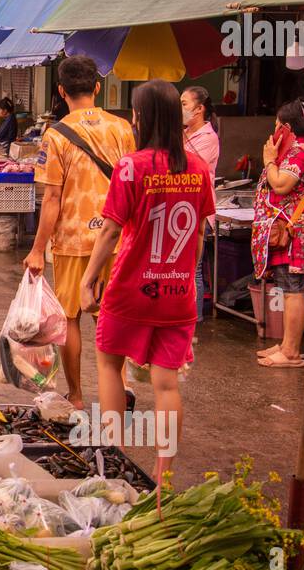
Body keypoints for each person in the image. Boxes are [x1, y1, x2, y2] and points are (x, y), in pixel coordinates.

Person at [80, 79, 215, 481]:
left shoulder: (132, 166)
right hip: (178, 293)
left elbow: (109, 231)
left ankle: (113, 465)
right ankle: (164, 480)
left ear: (142, 118)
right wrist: (185, 280)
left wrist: (88, 280)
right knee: (166, 384)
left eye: (135, 113)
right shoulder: (199, 168)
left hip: (131, 291)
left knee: (109, 364)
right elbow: (200, 235)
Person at [24, 55, 137, 408]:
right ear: (98, 87)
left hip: (72, 240)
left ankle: (75, 395)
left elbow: (52, 197)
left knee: (70, 318)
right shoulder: (122, 128)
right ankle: (116, 392)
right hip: (116, 238)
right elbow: (133, 184)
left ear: (61, 91)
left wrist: (37, 248)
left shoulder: (55, 134)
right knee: (112, 317)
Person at [250, 99, 304, 368]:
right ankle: (285, 344)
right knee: (287, 286)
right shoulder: (296, 149)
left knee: (294, 290)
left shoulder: (302, 151)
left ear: (287, 126)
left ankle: (291, 351)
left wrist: (269, 161)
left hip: (295, 231)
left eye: (277, 125)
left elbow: (281, 184)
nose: (274, 130)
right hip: (285, 230)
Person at [181, 86, 221, 321]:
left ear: (199, 109)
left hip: (199, 210)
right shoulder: (184, 133)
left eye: (184, 104)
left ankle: (192, 321)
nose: (180, 108)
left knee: (193, 269)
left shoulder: (208, 138)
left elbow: (188, 168)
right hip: (181, 208)